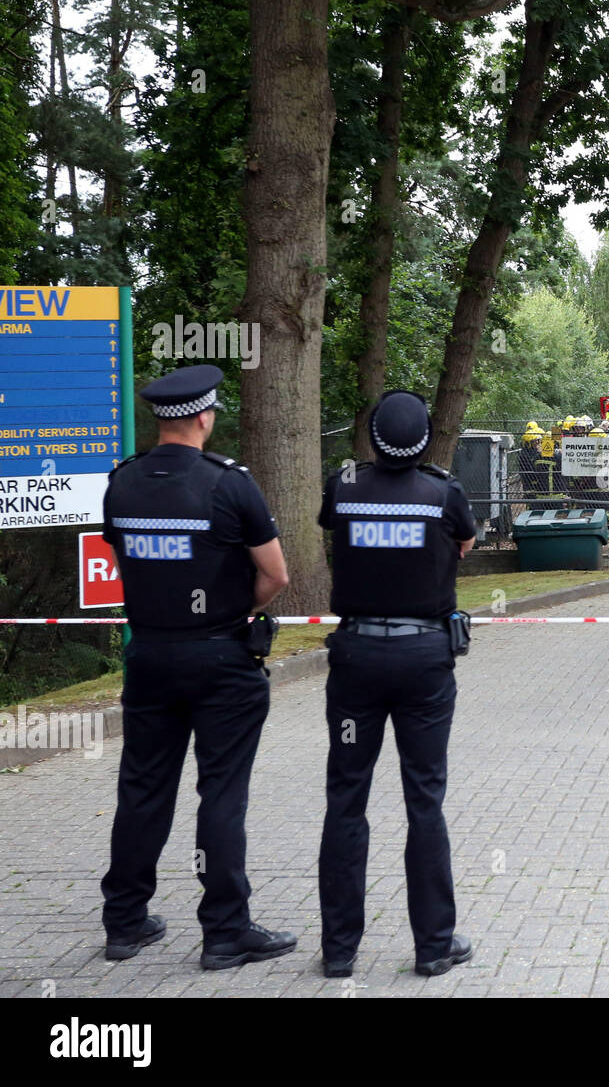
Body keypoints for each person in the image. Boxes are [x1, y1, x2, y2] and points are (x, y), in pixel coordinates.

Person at [99, 363, 295, 970]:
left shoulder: (123, 483)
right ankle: (225, 932)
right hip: (220, 657)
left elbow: (129, 555)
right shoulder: (230, 484)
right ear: (205, 417)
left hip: (150, 655)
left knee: (142, 788)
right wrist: (240, 610)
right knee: (221, 794)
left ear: (162, 419)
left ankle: (125, 923)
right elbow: (277, 575)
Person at [317, 390, 478, 978]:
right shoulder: (443, 492)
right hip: (423, 660)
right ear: (424, 439)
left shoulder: (346, 487)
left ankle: (339, 951)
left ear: (373, 438)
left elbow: (330, 522)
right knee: (424, 801)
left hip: (356, 657)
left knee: (346, 799)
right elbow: (465, 541)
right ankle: (434, 946)